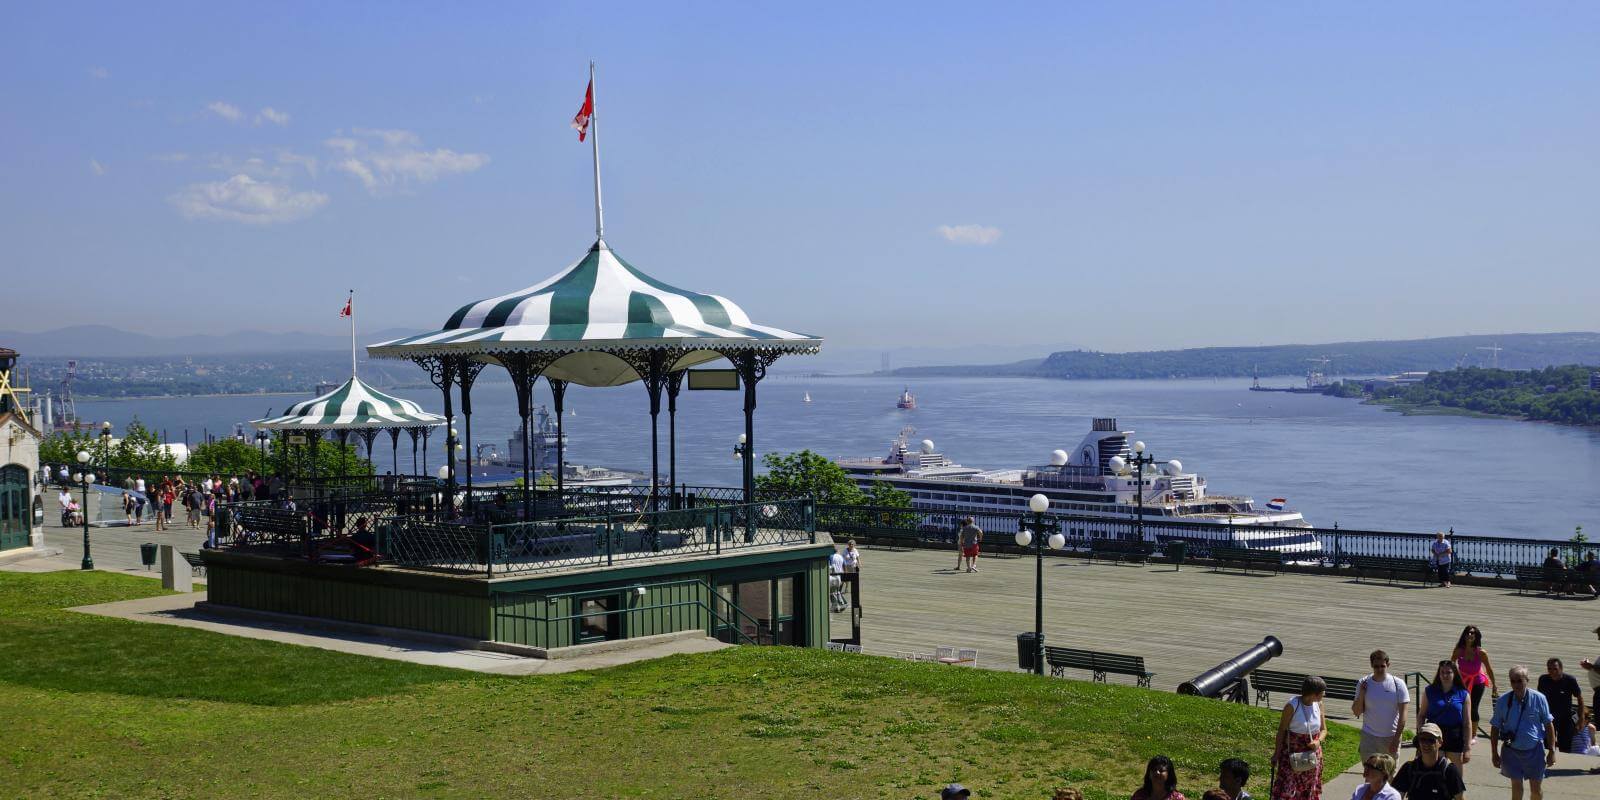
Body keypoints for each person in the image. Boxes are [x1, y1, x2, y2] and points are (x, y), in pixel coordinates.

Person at [1489, 665, 1557, 800]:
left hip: (1535, 750)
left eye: (1519, 681)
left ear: (1527, 680)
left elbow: (1549, 725)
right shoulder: (1503, 701)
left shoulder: (1539, 699)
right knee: (1516, 787)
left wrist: (1552, 751)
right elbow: (1495, 727)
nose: (1516, 684)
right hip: (1511, 751)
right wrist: (1494, 753)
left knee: (1536, 790)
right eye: (1513, 681)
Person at [1272, 676, 1327, 800]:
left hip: (1312, 756)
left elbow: (1324, 729)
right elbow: (1281, 730)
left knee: (1308, 790)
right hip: (1291, 756)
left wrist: (1318, 741)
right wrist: (1276, 753)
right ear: (1314, 693)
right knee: (1288, 789)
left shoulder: (1319, 704)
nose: (1324, 695)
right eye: (1323, 693)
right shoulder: (1292, 706)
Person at [1354, 649, 1409, 758]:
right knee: (1370, 773)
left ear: (1388, 664)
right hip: (1369, 737)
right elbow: (1356, 712)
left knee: (1389, 774)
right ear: (1371, 665)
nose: (1379, 669)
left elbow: (1403, 715)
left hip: (1390, 737)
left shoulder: (1398, 684)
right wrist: (1362, 694)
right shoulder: (1363, 683)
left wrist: (1396, 739)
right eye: (1376, 666)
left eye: (1382, 666)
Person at [1392, 723, 1465, 800]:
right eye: (1422, 739)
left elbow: (1460, 798)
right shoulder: (1409, 768)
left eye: (1431, 740)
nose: (1426, 743)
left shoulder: (1449, 770)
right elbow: (1396, 797)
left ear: (1440, 742)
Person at [1418, 660, 1471, 765]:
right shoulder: (1430, 691)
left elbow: (1467, 723)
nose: (1445, 675)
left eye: (1449, 672)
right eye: (1442, 672)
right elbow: (1421, 716)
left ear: (1454, 674)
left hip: (1454, 735)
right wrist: (1421, 737)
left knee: (1455, 773)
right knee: (1435, 770)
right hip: (1434, 734)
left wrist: (1467, 747)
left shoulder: (1463, 694)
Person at [1452, 625, 1498, 740]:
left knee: (1473, 708)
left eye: (1473, 633)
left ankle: (1473, 734)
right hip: (1462, 682)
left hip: (1477, 682)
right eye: (1468, 633)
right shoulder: (1459, 650)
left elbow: (1489, 668)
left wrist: (1494, 685)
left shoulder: (1481, 652)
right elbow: (1452, 663)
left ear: (1476, 636)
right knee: (1459, 706)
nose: (1470, 635)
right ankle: (1461, 729)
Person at [1536, 657, 1584, 754]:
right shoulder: (1543, 679)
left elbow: (1580, 698)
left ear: (1561, 669)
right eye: (1549, 669)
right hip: (1548, 718)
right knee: (1546, 745)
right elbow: (1539, 699)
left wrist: (1581, 719)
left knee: (1565, 747)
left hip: (1565, 718)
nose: (1552, 672)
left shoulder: (1570, 680)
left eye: (1555, 669)